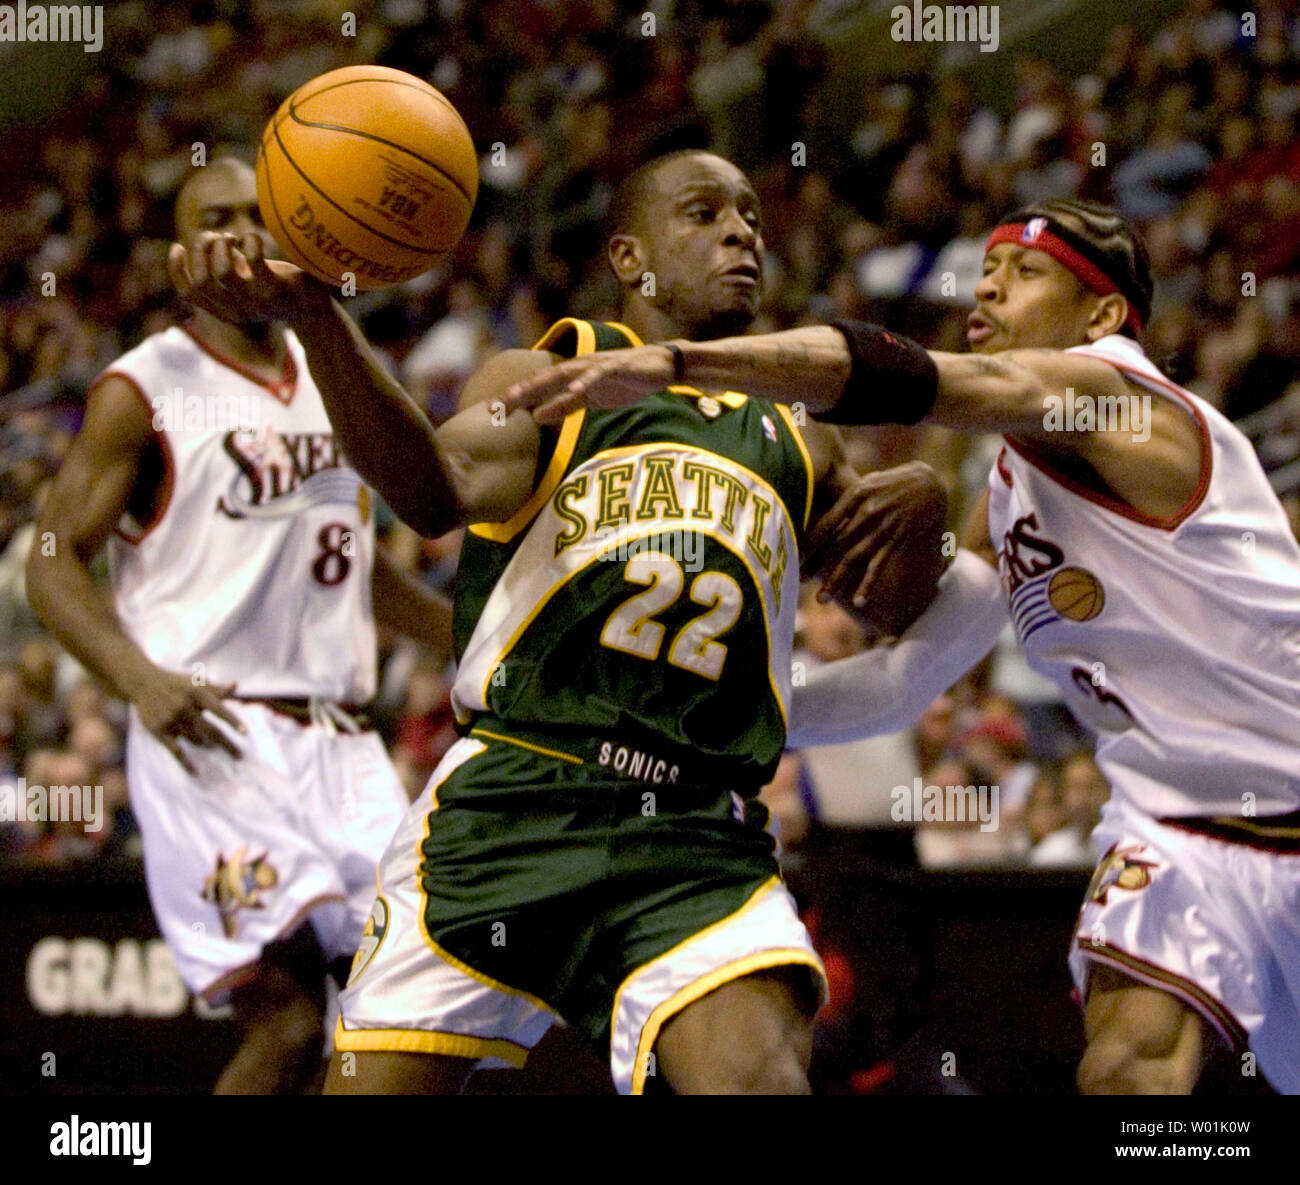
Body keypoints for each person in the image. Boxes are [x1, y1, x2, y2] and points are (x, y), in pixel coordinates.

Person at [166, 147, 948, 1095]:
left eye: (748, 214)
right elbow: (431, 490)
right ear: (630, 256)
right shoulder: (552, 372)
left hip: (694, 831)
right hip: (513, 802)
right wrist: (317, 319)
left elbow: (895, 604)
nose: (740, 230)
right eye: (703, 214)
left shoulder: (797, 432)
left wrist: (924, 504)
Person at [505, 196, 1300, 1095]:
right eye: (989, 268)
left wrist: (682, 363)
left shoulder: (1113, 396)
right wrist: (701, 728)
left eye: (1027, 272)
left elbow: (906, 374)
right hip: (1175, 830)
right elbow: (901, 679)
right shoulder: (1009, 485)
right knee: (1125, 1068)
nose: (990, 285)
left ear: (1104, 317)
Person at [27, 158, 454, 1094]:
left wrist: (466, 636)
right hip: (211, 730)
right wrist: (137, 679)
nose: (239, 233)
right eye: (213, 217)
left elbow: (351, 562)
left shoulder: (330, 369)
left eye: (257, 216)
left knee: (408, 1016)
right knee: (288, 1022)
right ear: (181, 251)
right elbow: (50, 559)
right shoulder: (141, 387)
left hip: (344, 747)